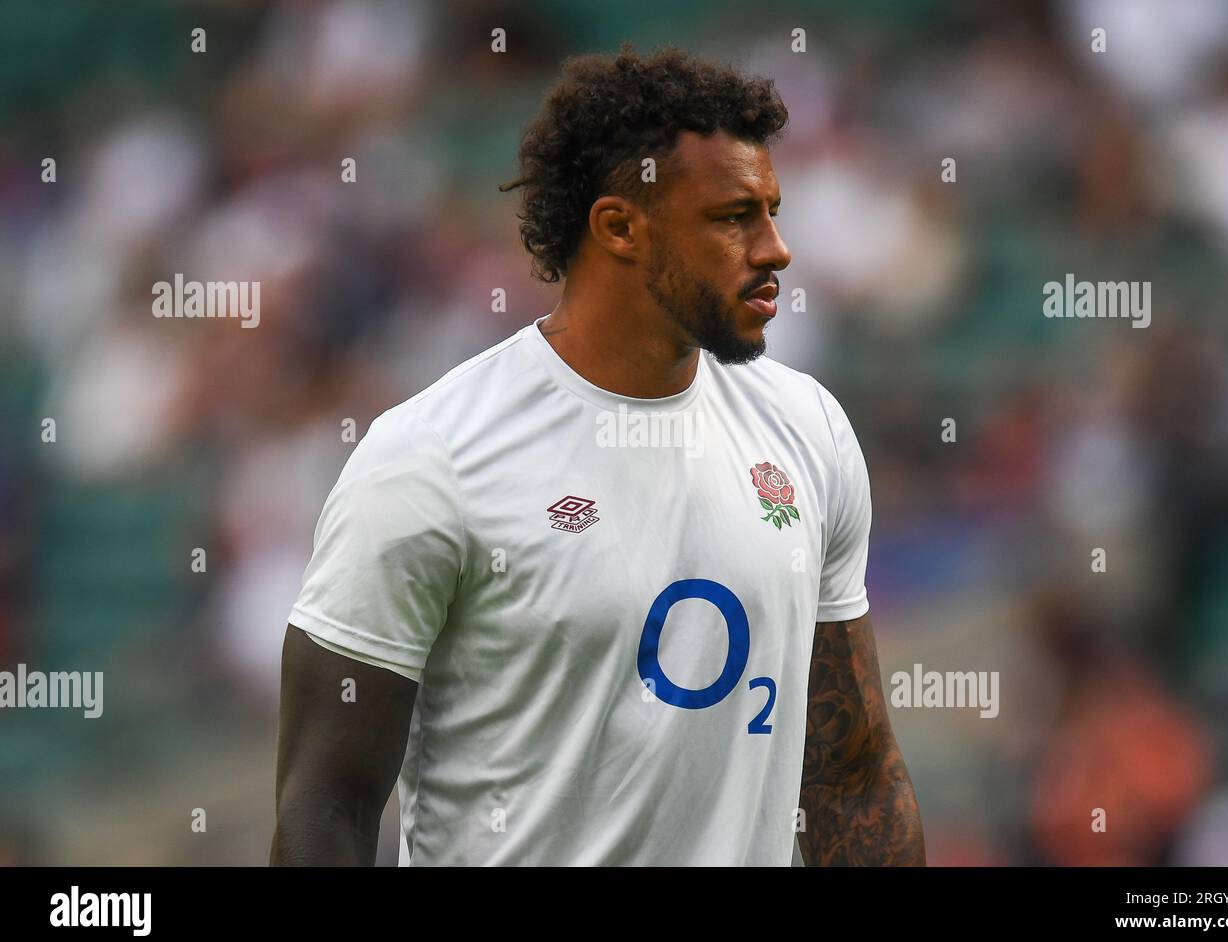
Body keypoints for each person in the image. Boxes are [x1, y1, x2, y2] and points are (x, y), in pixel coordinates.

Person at [271, 43, 924, 866]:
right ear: (620, 226)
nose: (775, 248)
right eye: (733, 218)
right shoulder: (432, 458)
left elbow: (849, 775)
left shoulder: (809, 429)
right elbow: (327, 802)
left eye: (773, 210)